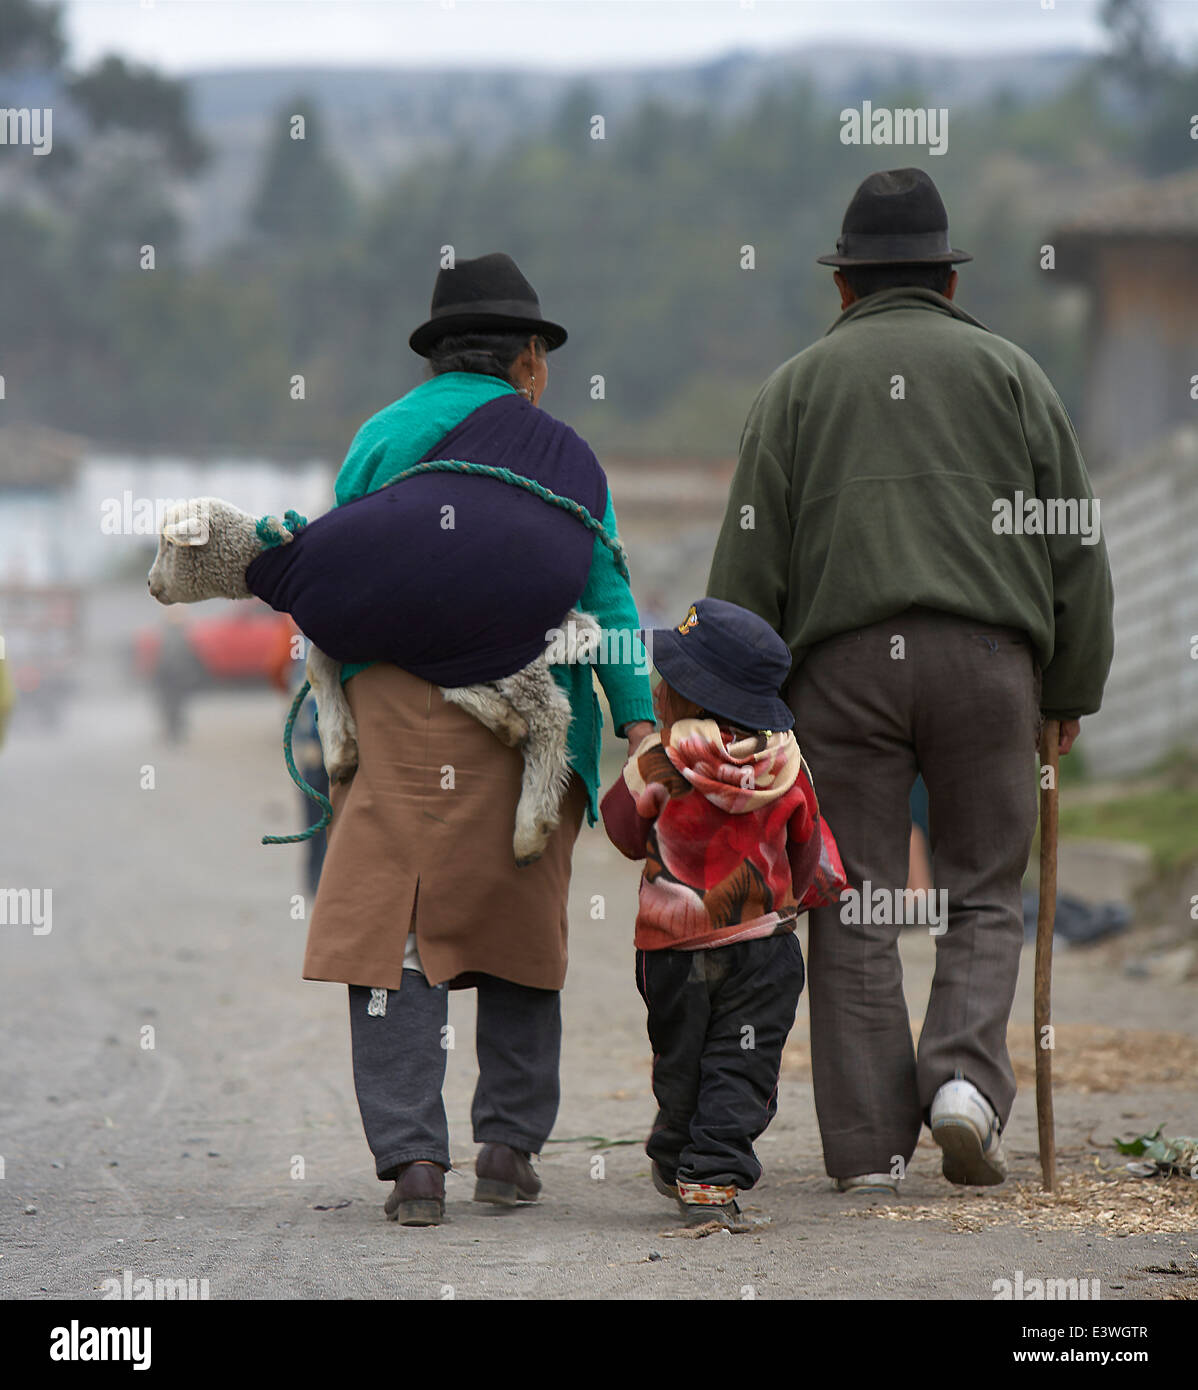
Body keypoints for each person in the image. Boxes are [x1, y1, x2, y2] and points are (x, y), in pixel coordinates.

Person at [706, 168, 1114, 1195]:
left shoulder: (794, 388)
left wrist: (736, 708)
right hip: (990, 666)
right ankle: (964, 1090)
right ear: (945, 280)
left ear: (843, 286)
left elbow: (750, 566)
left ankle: (868, 1153)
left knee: (859, 903)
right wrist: (1067, 688)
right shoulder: (1014, 375)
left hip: (840, 675)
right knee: (983, 889)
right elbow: (1074, 546)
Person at [304, 253, 655, 1225]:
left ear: (436, 356)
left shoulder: (380, 438)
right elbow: (608, 598)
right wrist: (639, 725)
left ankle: (414, 1161)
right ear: (529, 360)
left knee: (397, 936)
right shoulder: (566, 458)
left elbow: (336, 572)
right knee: (515, 930)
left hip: (398, 717)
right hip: (527, 726)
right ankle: (506, 1148)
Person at [600, 598, 844, 1227]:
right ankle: (707, 1175)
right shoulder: (787, 762)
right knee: (741, 1062)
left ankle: (681, 1153)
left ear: (688, 694)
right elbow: (807, 847)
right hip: (762, 948)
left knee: (681, 1058)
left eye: (665, 677)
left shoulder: (657, 759)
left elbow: (623, 832)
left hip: (672, 950)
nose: (655, 686)